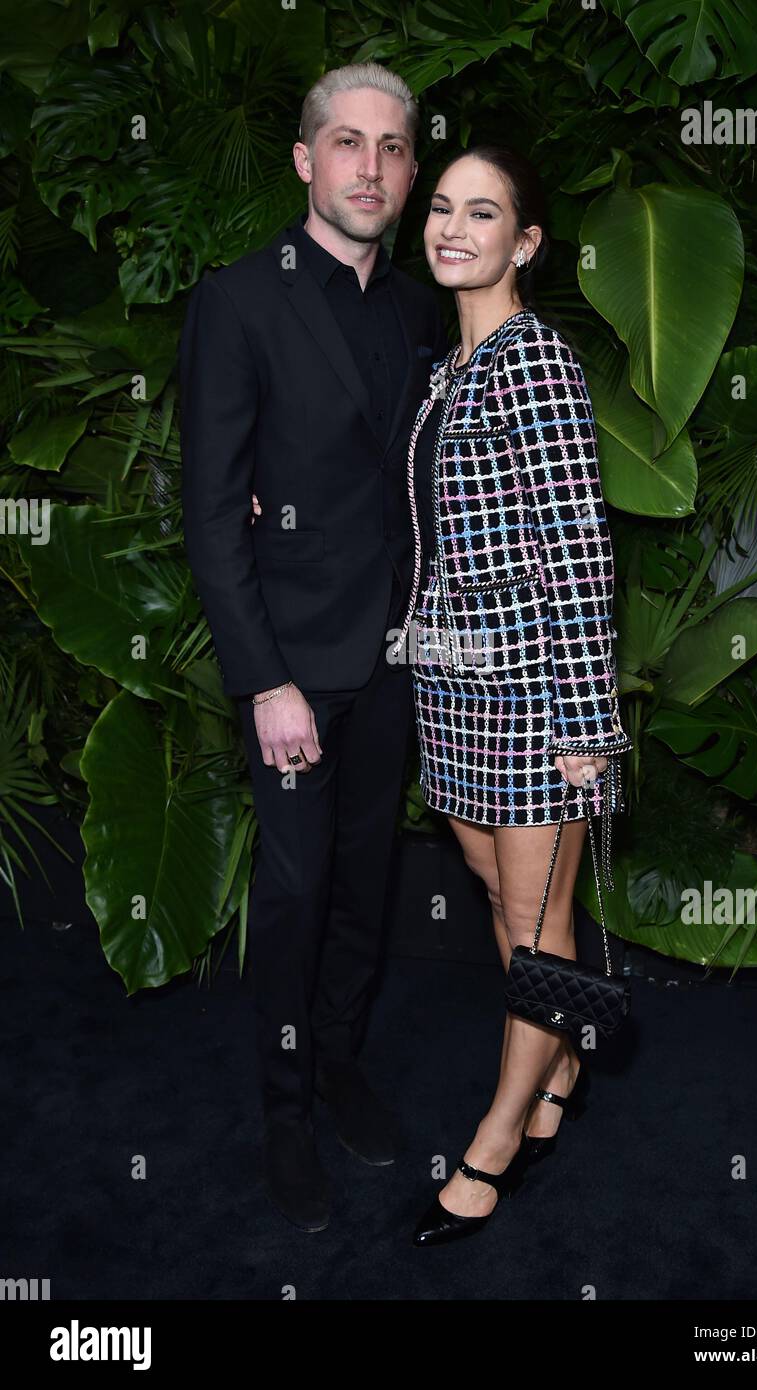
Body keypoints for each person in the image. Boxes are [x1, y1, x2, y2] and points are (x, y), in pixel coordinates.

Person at [178, 62, 447, 1234]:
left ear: (410, 168)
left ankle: (339, 1064)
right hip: (293, 672)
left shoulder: (413, 306)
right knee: (291, 900)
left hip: (394, 660)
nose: (371, 167)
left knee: (367, 887)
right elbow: (208, 509)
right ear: (306, 161)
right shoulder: (239, 299)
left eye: (393, 148)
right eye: (348, 143)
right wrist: (264, 681)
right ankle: (285, 1111)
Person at [389, 145, 633, 1245]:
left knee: (534, 933)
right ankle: (567, 1052)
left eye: (481, 213)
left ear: (524, 243)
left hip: (535, 698)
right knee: (502, 898)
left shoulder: (536, 361)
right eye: (441, 207)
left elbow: (578, 553)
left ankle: (498, 1141)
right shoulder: (454, 369)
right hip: (452, 691)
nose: (452, 226)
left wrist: (585, 726)